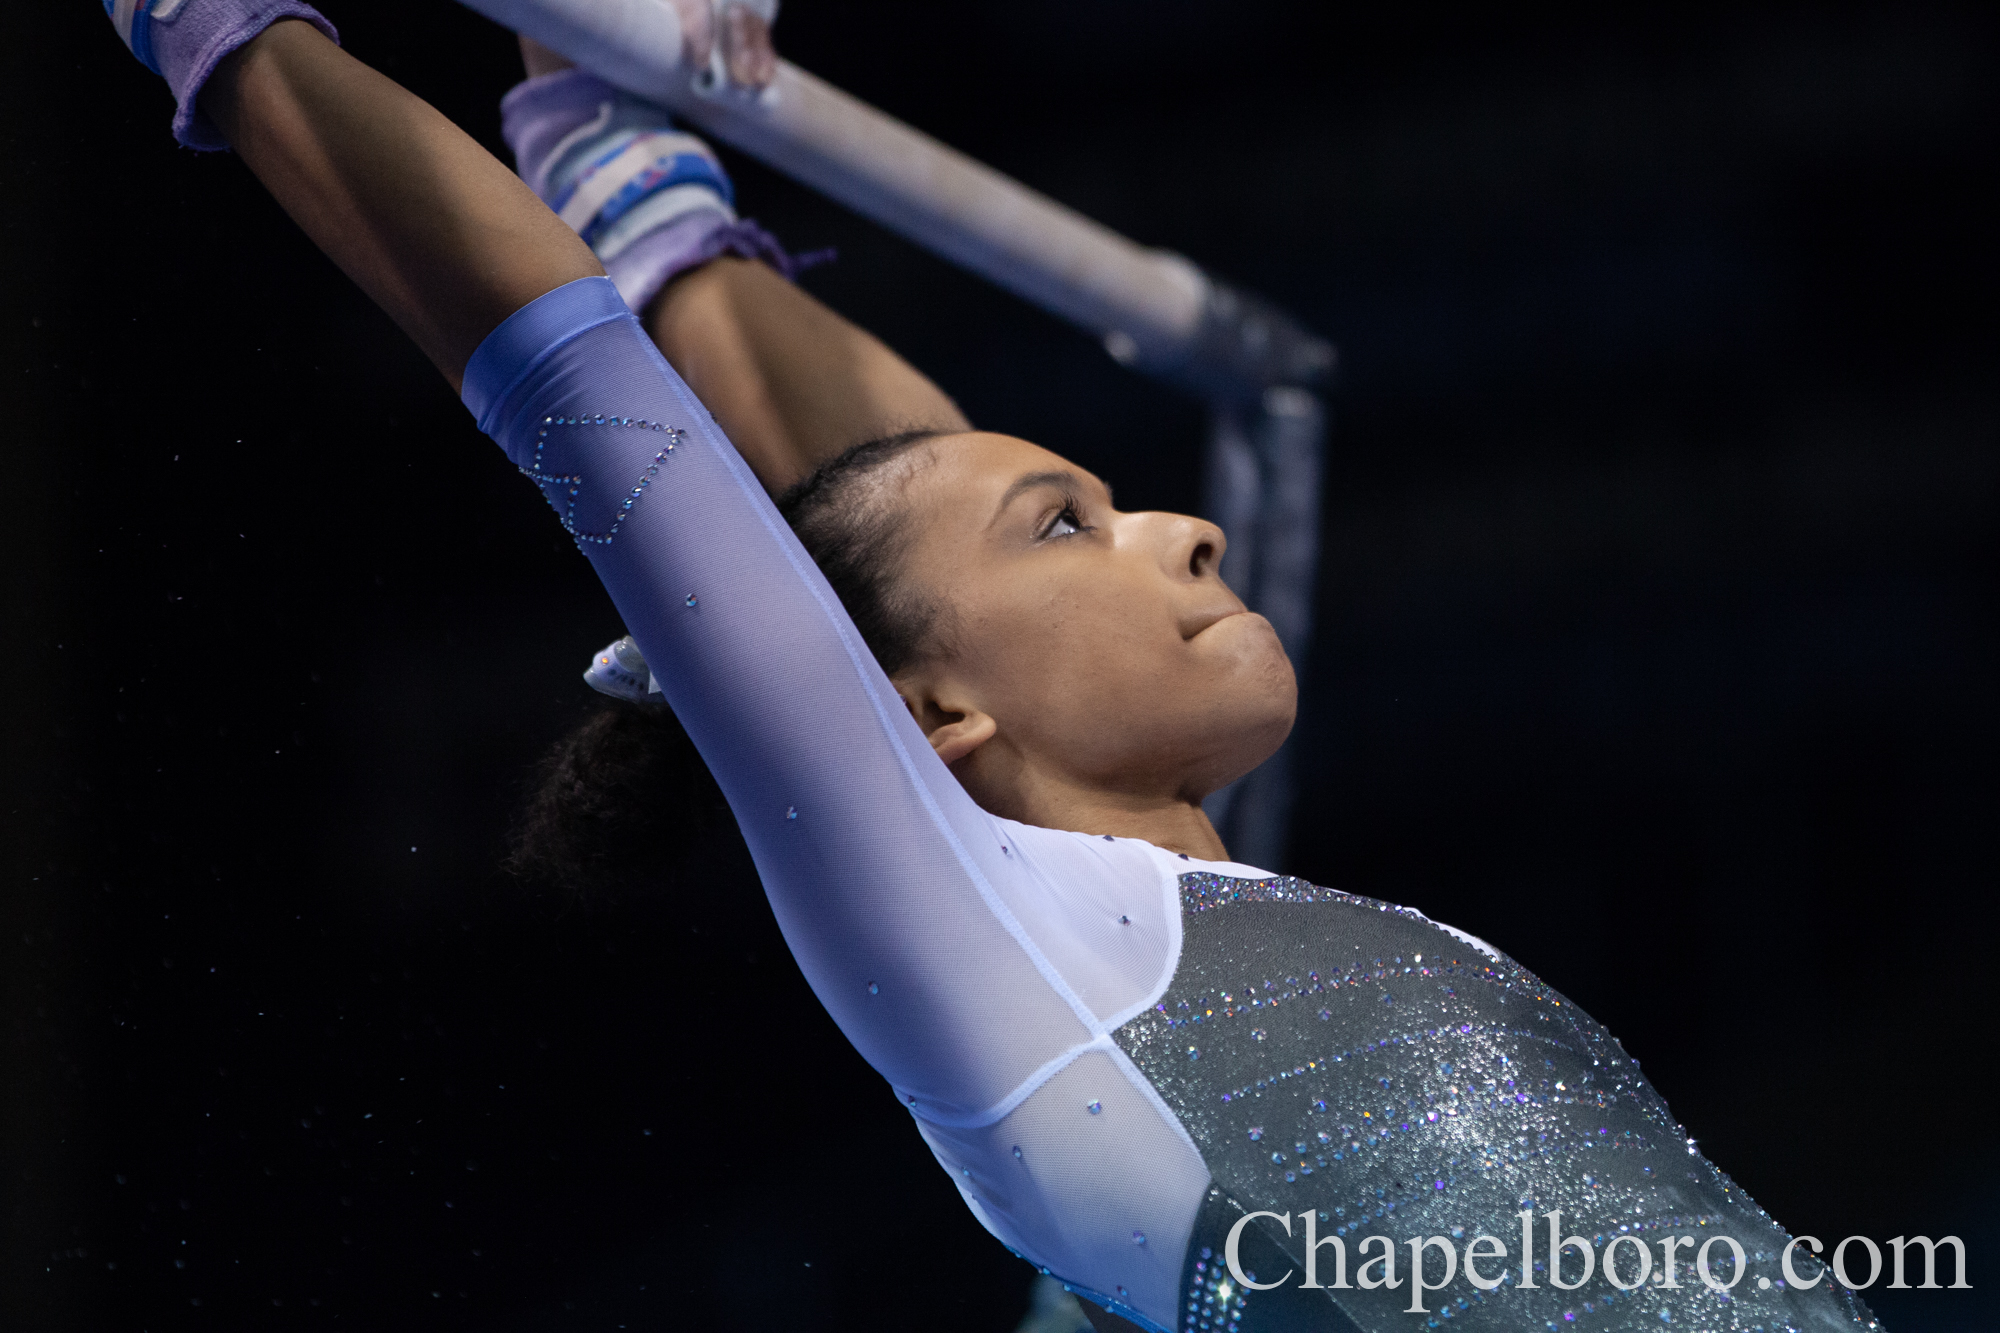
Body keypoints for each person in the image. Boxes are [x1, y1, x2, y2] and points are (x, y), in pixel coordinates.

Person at [103, 4, 1884, 1330]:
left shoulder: (1120, 954)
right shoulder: (1014, 964)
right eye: (1073, 525)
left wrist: (639, 179)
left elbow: (907, 537)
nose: (1183, 528)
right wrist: (220, 31)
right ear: (931, 723)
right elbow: (617, 422)